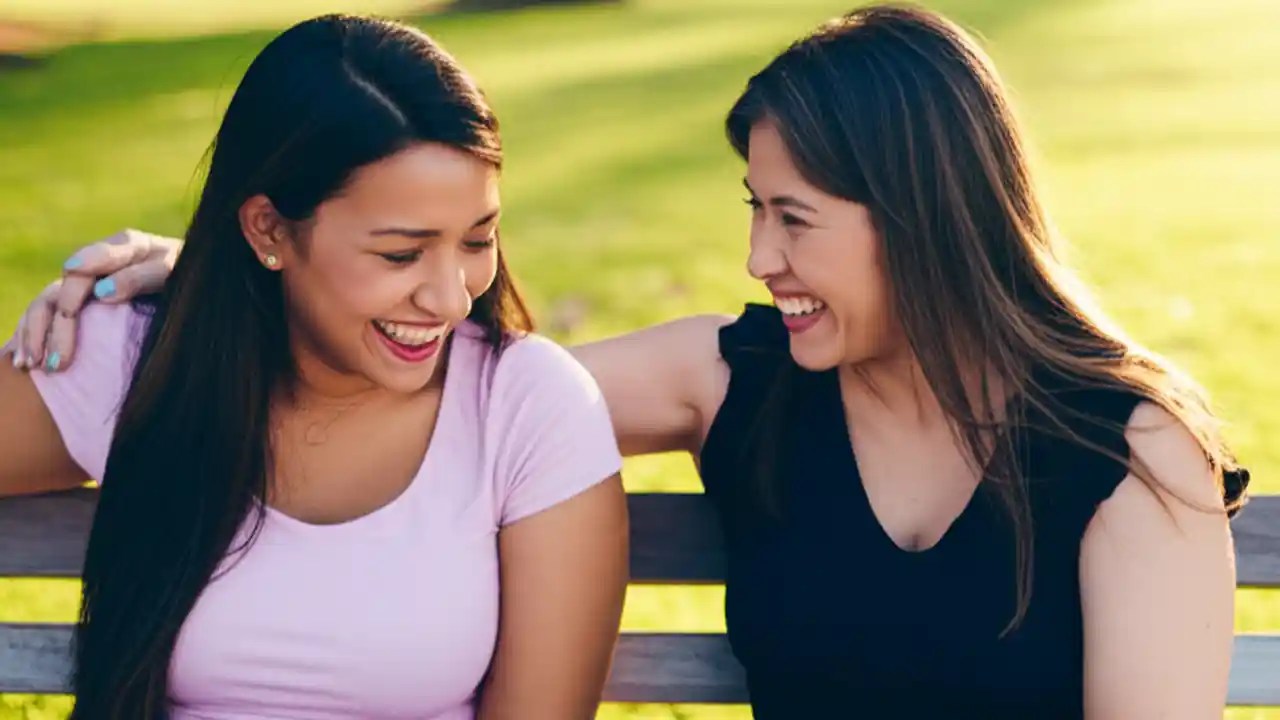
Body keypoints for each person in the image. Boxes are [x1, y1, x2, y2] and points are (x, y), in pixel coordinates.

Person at [8, 5, 1250, 719]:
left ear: (922, 214)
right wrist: (245, 268)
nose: (758, 255)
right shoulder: (737, 381)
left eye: (793, 218)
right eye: (752, 207)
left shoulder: (1126, 460)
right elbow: (443, 383)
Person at [0, 14, 628, 720]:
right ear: (268, 229)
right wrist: (204, 281)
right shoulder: (137, 360)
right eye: (400, 254)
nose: (452, 298)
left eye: (478, 239)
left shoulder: (529, 406)